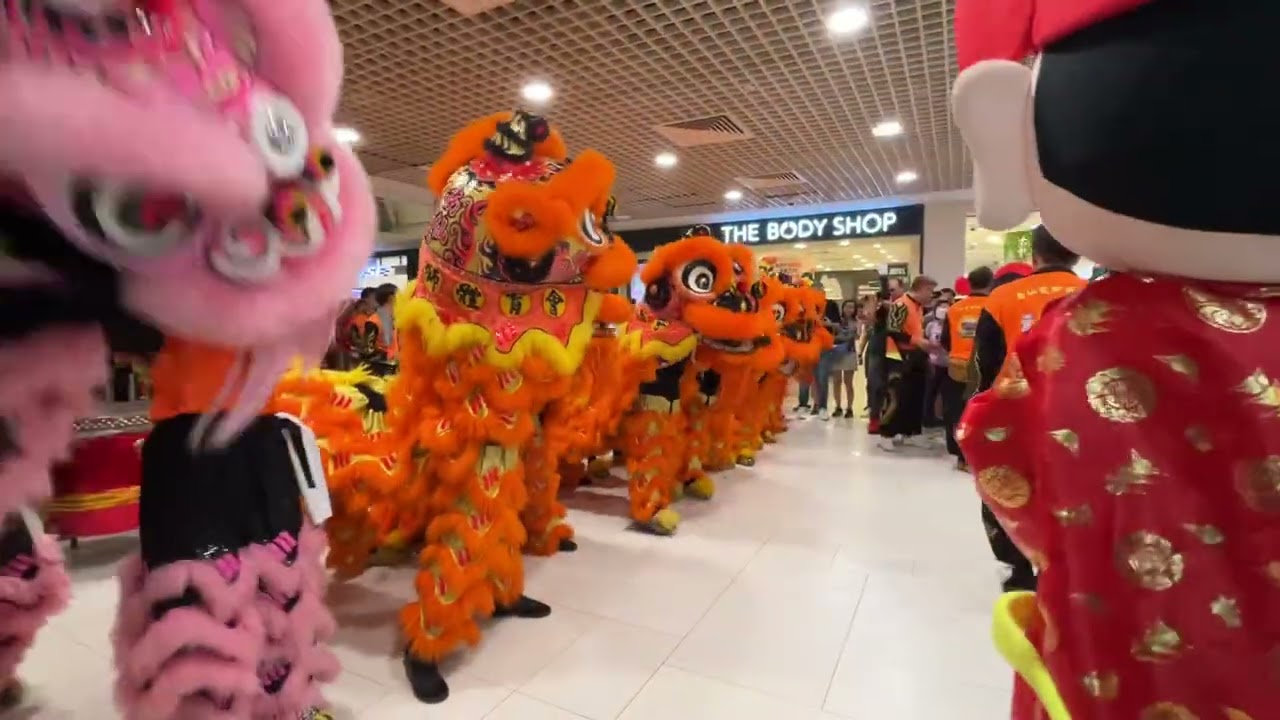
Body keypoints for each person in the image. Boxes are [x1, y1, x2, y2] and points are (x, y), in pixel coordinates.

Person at [971, 225, 1086, 593]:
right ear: (1078, 254)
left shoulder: (1002, 298)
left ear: (1034, 255)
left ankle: (1018, 569)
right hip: (1078, 414)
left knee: (1008, 485)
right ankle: (1068, 570)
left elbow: (984, 364)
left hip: (1015, 412)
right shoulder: (1092, 294)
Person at [940, 265, 994, 471]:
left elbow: (945, 340)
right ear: (991, 283)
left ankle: (960, 456)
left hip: (956, 367)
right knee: (981, 413)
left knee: (956, 412)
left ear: (969, 284)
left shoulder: (954, 309)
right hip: (982, 368)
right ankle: (979, 456)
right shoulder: (993, 304)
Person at [877, 275, 936, 450]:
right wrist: (917, 341)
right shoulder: (901, 305)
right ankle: (886, 433)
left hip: (916, 356)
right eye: (930, 291)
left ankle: (912, 432)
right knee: (896, 396)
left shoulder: (918, 307)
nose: (931, 295)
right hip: (898, 357)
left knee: (916, 395)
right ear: (922, 288)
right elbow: (893, 331)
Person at [860, 292, 890, 432]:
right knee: (875, 386)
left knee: (890, 388)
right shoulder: (879, 315)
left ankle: (886, 418)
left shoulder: (898, 309)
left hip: (892, 351)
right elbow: (870, 318)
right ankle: (875, 418)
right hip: (877, 351)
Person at [921, 297, 952, 428]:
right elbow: (925, 339)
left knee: (947, 393)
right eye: (941, 307)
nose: (944, 310)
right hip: (934, 362)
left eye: (947, 307)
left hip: (949, 363)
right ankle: (927, 418)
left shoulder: (954, 325)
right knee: (930, 391)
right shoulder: (931, 325)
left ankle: (947, 418)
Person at [829, 299, 860, 418]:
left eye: (852, 307)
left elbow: (854, 336)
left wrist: (837, 329)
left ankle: (850, 408)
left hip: (849, 353)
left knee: (848, 382)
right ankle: (837, 406)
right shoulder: (837, 320)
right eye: (847, 307)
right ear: (843, 308)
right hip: (836, 352)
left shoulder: (857, 322)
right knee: (836, 381)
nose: (849, 310)